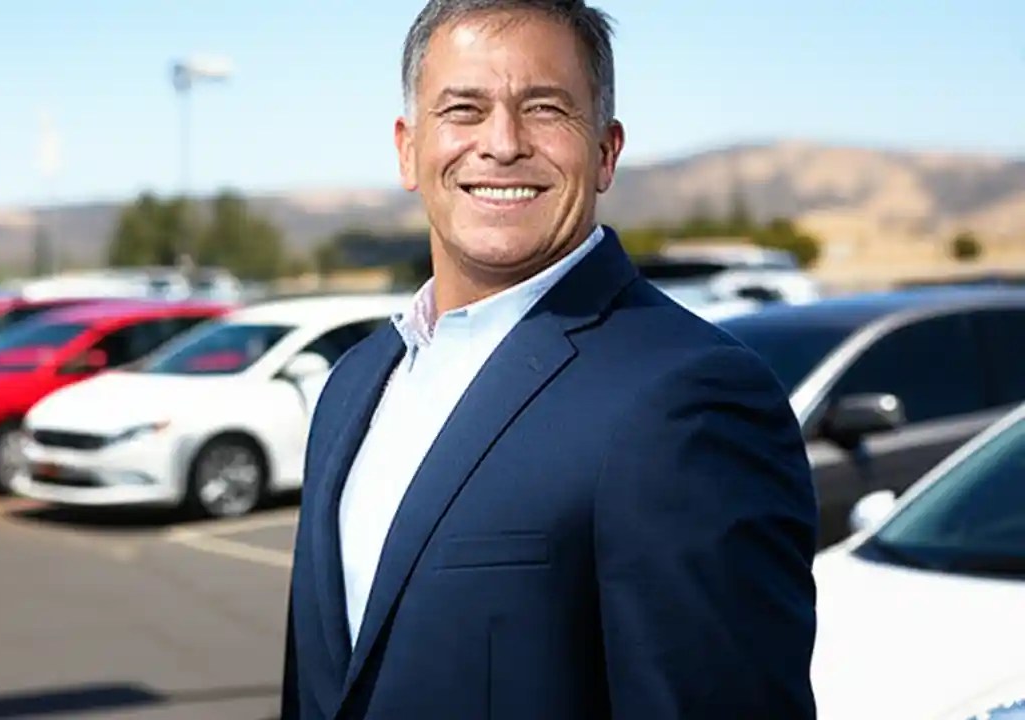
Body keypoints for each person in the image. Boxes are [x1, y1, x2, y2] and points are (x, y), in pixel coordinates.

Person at [281, 1, 819, 717]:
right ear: (409, 150)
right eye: (464, 110)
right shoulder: (353, 384)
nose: (502, 144)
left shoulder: (691, 397)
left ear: (605, 152)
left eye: (544, 109)